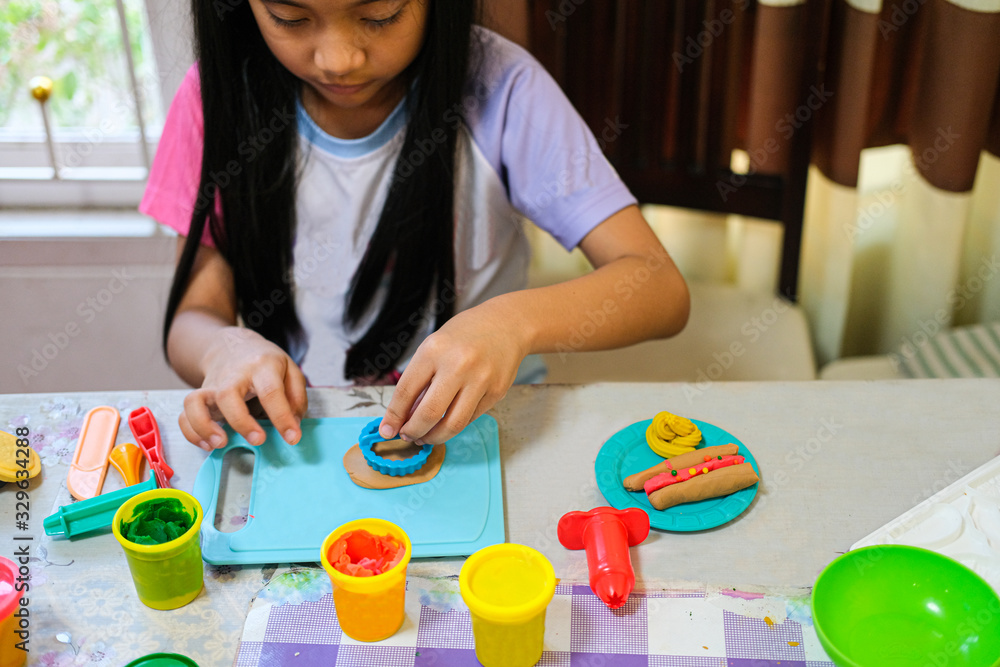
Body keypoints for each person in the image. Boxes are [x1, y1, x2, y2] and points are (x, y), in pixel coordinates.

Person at [144, 0, 690, 452]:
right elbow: (194, 316)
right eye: (289, 18)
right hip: (311, 429)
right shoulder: (214, 100)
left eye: (380, 16)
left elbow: (659, 288)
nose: (338, 59)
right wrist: (223, 349)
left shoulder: (502, 88)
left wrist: (511, 325)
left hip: (488, 424)